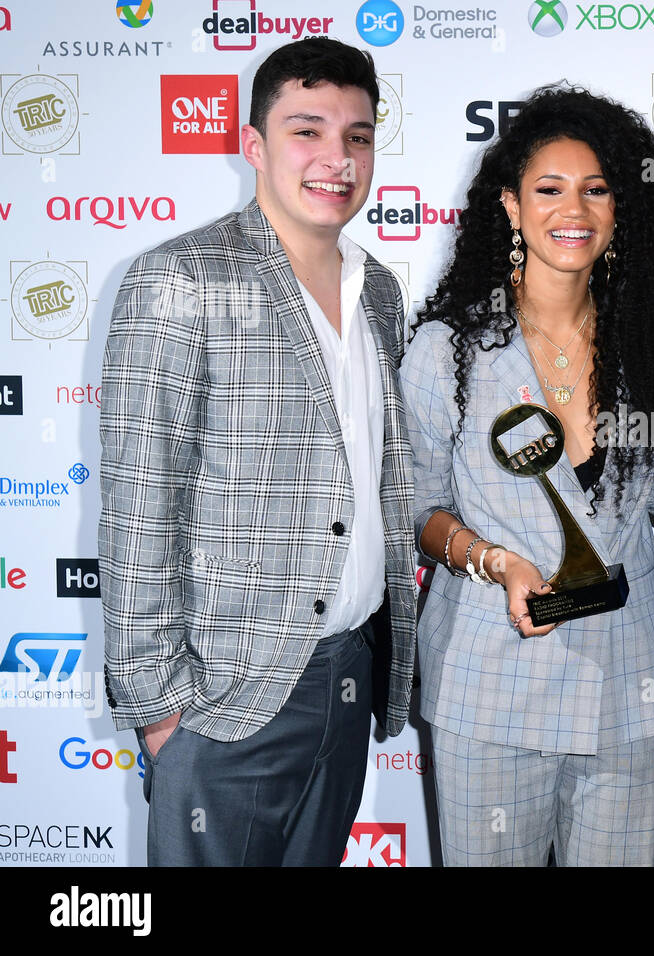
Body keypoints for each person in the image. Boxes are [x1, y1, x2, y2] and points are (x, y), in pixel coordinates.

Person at [99, 38, 416, 866]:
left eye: (357, 136)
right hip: (223, 699)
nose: (336, 159)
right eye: (306, 130)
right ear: (253, 147)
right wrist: (161, 710)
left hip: (348, 679)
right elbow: (140, 502)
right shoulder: (181, 277)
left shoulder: (379, 290)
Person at [399, 86, 654, 866]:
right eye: (548, 188)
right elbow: (418, 505)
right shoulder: (450, 350)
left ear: (619, 211)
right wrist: (495, 561)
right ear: (510, 206)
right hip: (489, 686)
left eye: (596, 188)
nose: (572, 208)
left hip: (627, 690)